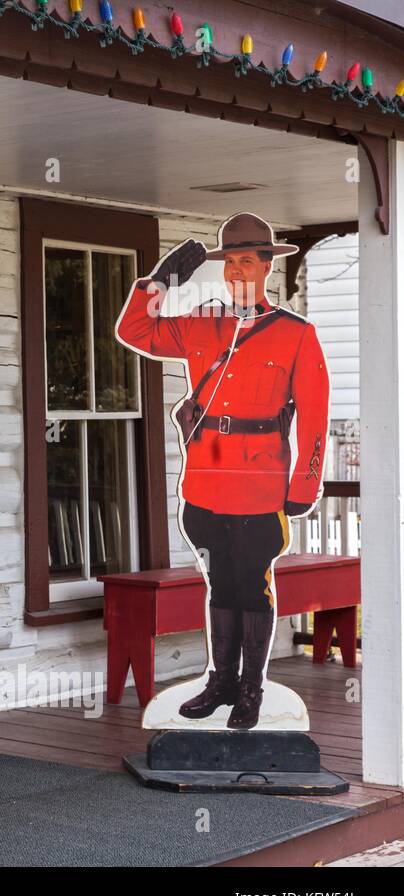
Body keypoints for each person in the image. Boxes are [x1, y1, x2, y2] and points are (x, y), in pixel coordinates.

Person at [115, 213, 329, 729]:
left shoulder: (296, 334)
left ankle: (251, 690)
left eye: (248, 262)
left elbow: (316, 415)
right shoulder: (202, 325)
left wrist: (305, 482)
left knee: (251, 585)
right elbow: (134, 329)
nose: (237, 272)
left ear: (266, 269)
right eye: (230, 262)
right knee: (219, 585)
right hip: (205, 483)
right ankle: (221, 682)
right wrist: (160, 284)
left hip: (261, 487)